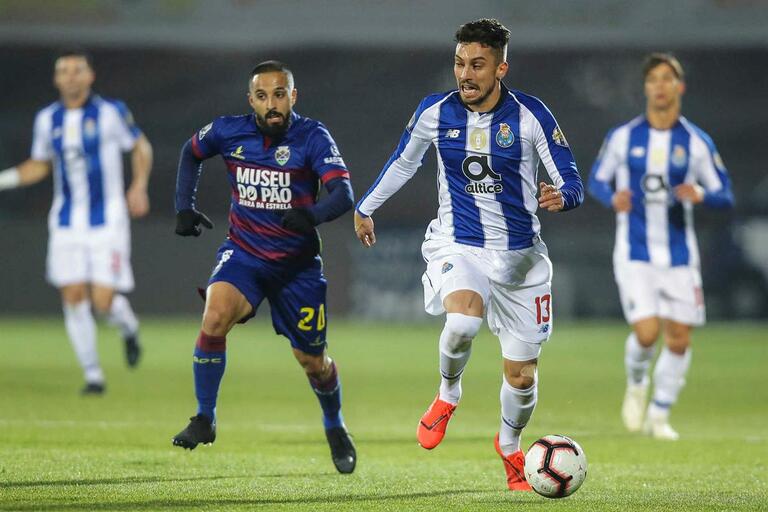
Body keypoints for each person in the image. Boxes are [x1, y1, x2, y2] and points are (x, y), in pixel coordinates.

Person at [354, 19, 583, 490]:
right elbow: (403, 161)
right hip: (458, 245)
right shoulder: (434, 112)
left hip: (521, 262)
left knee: (520, 377)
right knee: (461, 321)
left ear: (501, 67)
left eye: (477, 65)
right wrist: (365, 207)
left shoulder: (530, 116)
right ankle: (446, 394)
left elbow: (571, 176)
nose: (465, 74)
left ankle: (509, 445)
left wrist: (565, 196)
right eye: (460, 63)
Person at [171, 61, 357, 474]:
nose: (271, 104)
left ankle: (335, 425)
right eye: (262, 95)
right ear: (250, 100)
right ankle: (205, 417)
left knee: (314, 362)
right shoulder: (228, 130)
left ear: (293, 96)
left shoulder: (312, 136)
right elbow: (190, 152)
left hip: (297, 268)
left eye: (279, 94)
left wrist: (312, 215)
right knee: (215, 315)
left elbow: (343, 193)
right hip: (245, 254)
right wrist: (184, 207)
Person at [588, 53, 734, 440]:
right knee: (649, 333)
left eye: (667, 78)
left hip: (680, 255)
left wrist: (701, 193)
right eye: (653, 79)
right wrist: (612, 197)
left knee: (680, 338)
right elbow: (596, 180)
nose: (660, 85)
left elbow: (725, 194)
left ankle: (660, 413)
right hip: (635, 252)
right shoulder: (623, 137)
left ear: (679, 87)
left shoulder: (696, 142)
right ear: (646, 88)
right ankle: (637, 383)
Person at [0, 49, 152, 395]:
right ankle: (93, 375)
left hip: (107, 220)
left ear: (89, 76)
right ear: (56, 79)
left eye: (77, 70)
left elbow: (141, 146)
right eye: (63, 71)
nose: (70, 76)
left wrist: (138, 186)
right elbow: (38, 165)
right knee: (72, 295)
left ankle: (128, 328)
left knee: (102, 301)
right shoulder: (47, 120)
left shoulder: (111, 112)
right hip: (66, 222)